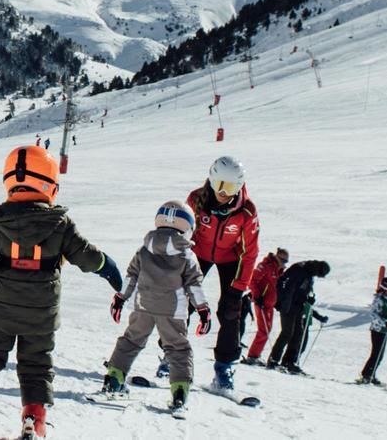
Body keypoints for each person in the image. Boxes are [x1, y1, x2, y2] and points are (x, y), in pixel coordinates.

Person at [0, 145, 122, 439]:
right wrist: (108, 267)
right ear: (49, 182)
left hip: (0, 308)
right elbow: (85, 255)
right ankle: (34, 419)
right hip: (42, 311)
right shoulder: (59, 223)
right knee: (36, 363)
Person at [100, 200, 211, 417]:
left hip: (143, 305)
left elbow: (131, 275)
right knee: (178, 348)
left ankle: (114, 378)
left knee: (131, 340)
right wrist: (203, 311)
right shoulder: (186, 255)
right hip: (172, 310)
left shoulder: (144, 249)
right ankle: (179, 392)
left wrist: (120, 298)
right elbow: (194, 285)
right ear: (187, 226)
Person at [185, 156, 260, 396]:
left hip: (231, 258)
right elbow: (182, 234)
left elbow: (250, 253)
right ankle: (171, 357)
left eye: (230, 188)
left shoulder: (247, 211)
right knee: (182, 301)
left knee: (231, 311)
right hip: (200, 253)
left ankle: (224, 369)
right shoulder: (196, 199)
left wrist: (239, 288)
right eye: (219, 185)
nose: (223, 193)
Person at [267, 260, 331, 373]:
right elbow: (282, 281)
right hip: (288, 305)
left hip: (298, 306)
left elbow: (303, 291)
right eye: (320, 275)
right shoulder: (299, 269)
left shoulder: (309, 273)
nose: (318, 276)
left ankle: (289, 361)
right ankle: (273, 360)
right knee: (287, 333)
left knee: (298, 334)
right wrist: (281, 300)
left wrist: (308, 298)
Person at [242, 248, 289, 365]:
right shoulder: (265, 266)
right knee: (264, 331)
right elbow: (252, 280)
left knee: (267, 330)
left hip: (270, 304)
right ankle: (252, 356)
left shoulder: (279, 270)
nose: (284, 263)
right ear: (277, 257)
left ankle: (255, 355)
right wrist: (257, 296)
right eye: (283, 260)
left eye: (286, 261)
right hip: (261, 302)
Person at [357, 277, 387, 385]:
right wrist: (385, 323)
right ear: (385, 288)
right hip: (377, 329)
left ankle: (371, 375)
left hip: (384, 330)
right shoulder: (379, 299)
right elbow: (373, 314)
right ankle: (366, 375)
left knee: (380, 355)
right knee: (376, 354)